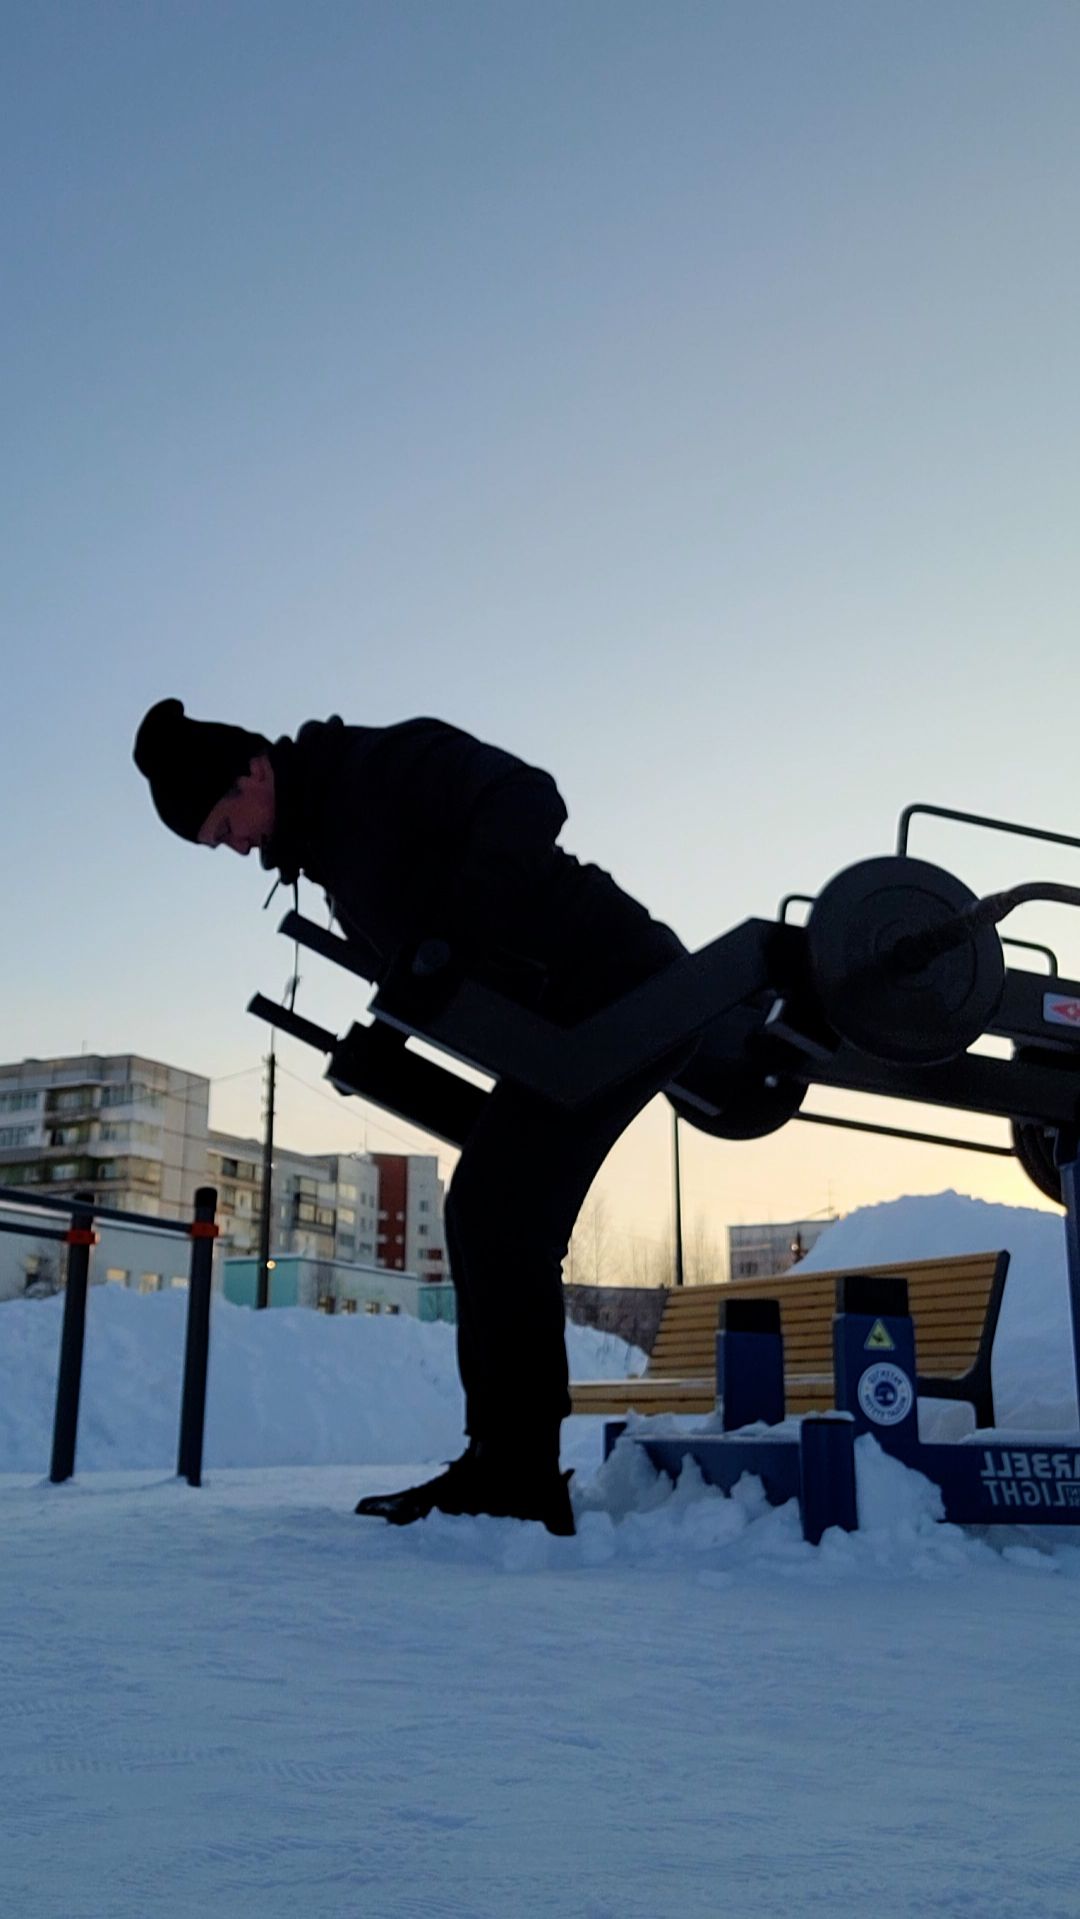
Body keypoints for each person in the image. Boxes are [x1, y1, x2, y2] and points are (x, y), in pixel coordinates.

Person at [134, 698, 690, 1535]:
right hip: (554, 1030)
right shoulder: (327, 844)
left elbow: (529, 797)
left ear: (252, 769)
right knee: (481, 1209)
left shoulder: (379, 766)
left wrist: (446, 938)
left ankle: (518, 1473)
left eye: (224, 823)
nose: (235, 845)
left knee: (501, 1209)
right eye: (217, 842)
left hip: (616, 987)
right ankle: (501, 1459)